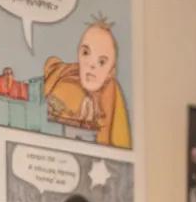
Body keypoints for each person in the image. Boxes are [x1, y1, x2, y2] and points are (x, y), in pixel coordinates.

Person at [43, 17, 131, 148]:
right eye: (85, 52)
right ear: (78, 54)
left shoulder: (111, 96)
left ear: (111, 72)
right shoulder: (65, 82)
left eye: (101, 62)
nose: (91, 64)